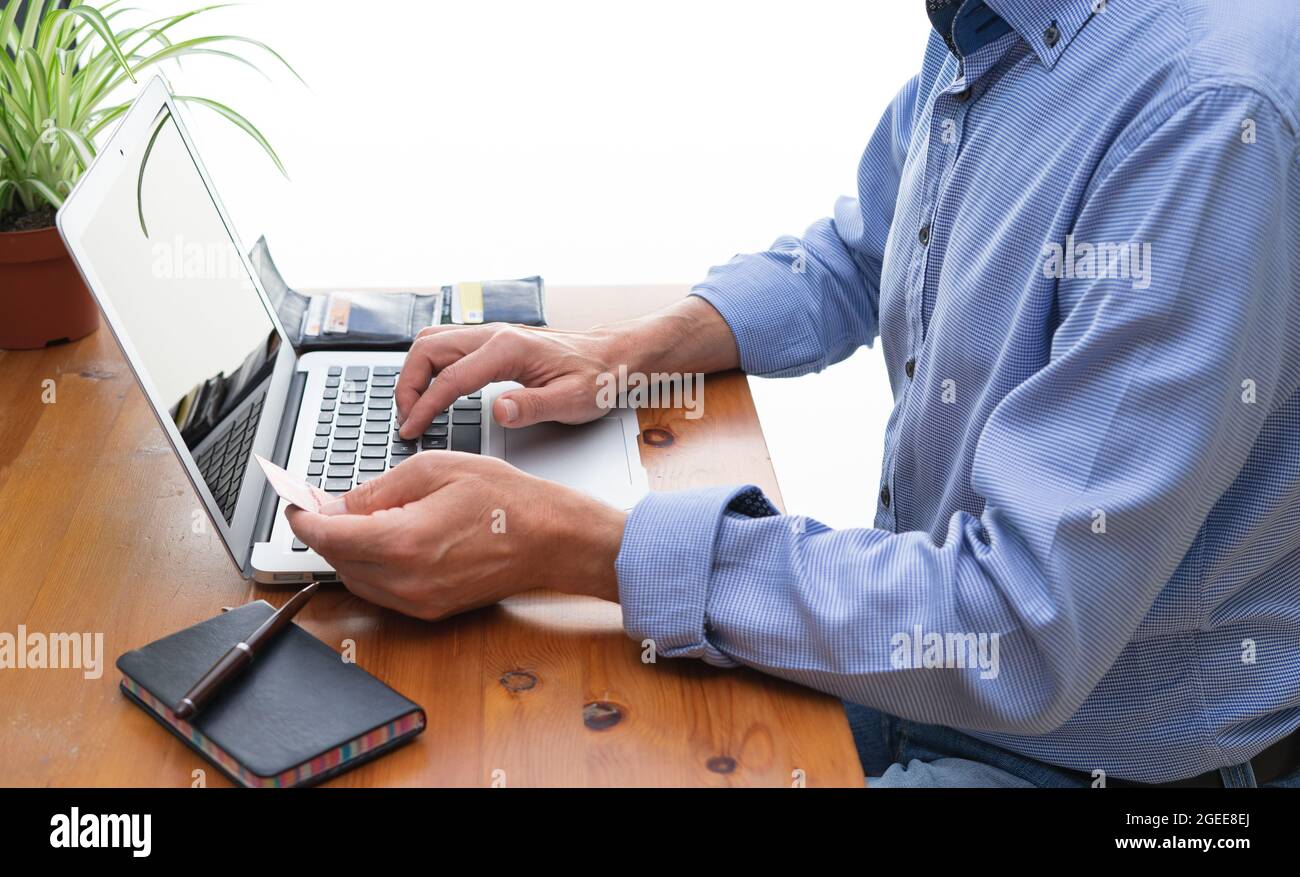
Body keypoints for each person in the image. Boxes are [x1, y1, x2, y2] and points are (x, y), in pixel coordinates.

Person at [288, 0, 1300, 787]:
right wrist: (630, 352)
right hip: (926, 674)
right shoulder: (996, 27)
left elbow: (1015, 624)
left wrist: (575, 543)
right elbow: (857, 255)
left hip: (1094, 756)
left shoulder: (1204, 118)